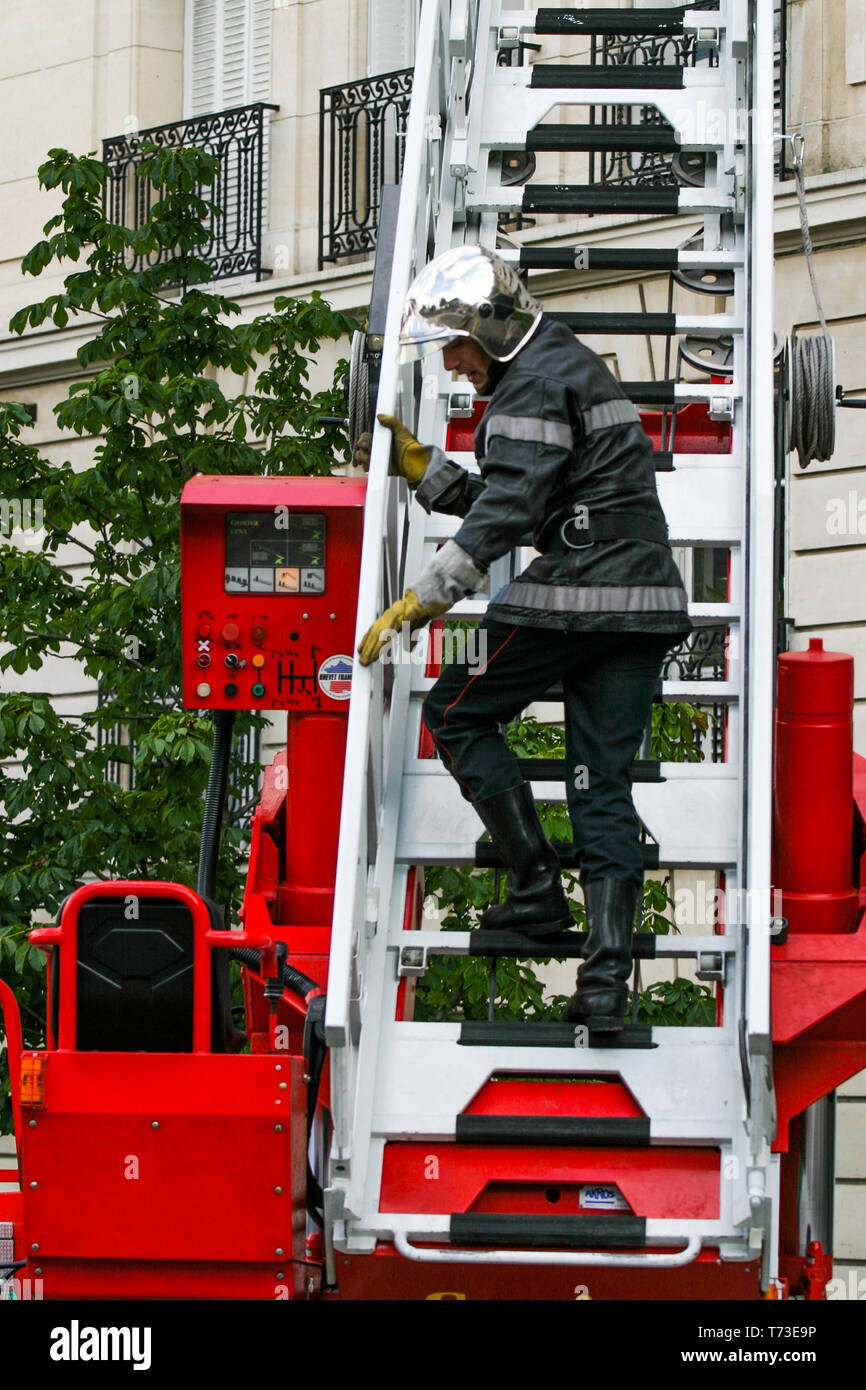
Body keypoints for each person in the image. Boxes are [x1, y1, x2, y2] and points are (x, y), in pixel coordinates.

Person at [356, 244, 692, 1031]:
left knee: (456, 712)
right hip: (642, 602)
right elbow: (532, 498)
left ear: (491, 328)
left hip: (575, 594)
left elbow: (508, 514)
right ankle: (606, 983)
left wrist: (420, 602)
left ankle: (536, 885)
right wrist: (428, 472)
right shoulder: (566, 360)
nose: (451, 359)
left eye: (456, 342)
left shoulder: (529, 384)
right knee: (602, 787)